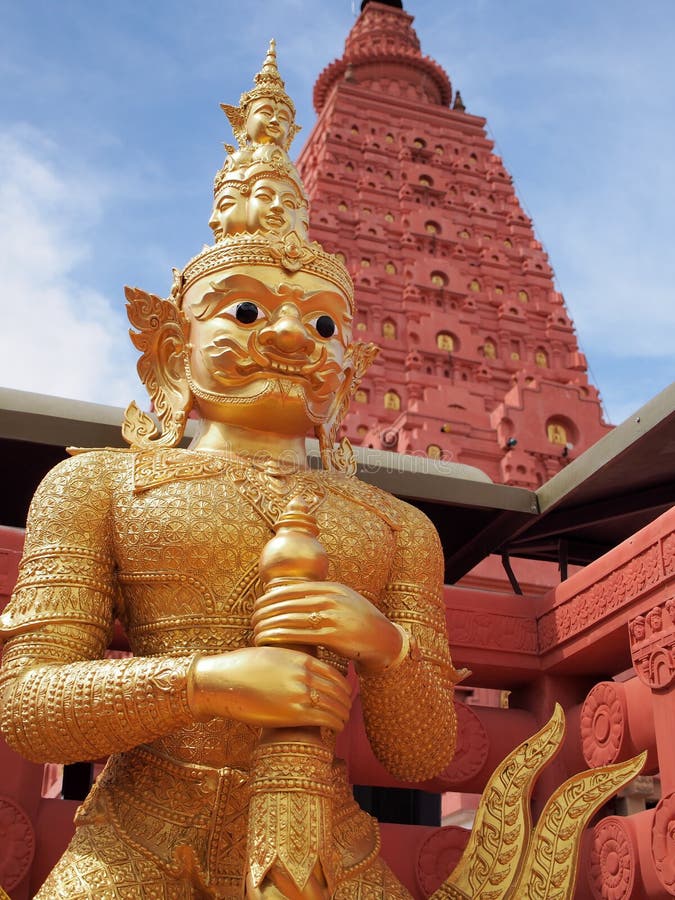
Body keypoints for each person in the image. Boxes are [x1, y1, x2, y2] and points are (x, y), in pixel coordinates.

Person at [0, 44, 458, 899]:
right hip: (135, 844)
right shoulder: (99, 484)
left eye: (323, 326)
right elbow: (28, 708)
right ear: (173, 352)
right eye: (245, 309)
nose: (289, 337)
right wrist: (203, 681)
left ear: (347, 371)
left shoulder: (395, 525)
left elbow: (422, 753)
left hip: (327, 846)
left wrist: (384, 644)